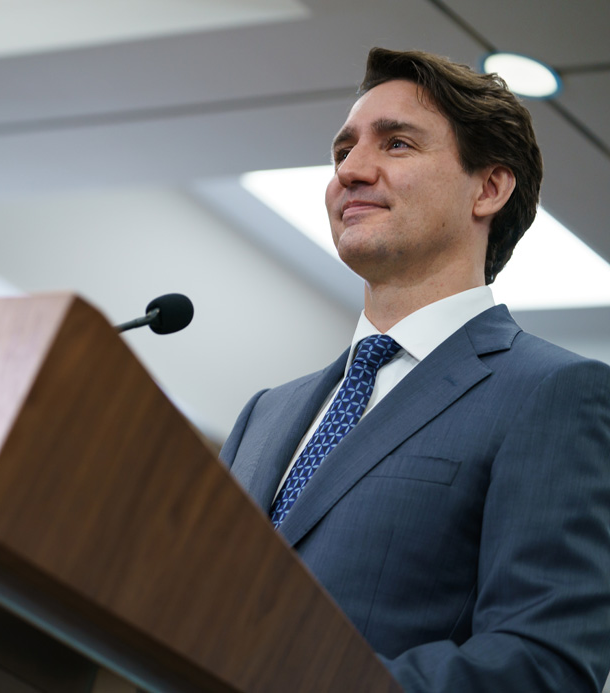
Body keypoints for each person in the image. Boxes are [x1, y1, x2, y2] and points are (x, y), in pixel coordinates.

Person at [220, 47, 610, 692]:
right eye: (342, 152)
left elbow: (545, 663)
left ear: (489, 187)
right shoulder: (266, 413)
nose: (352, 170)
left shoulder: (556, 394)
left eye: (396, 144)